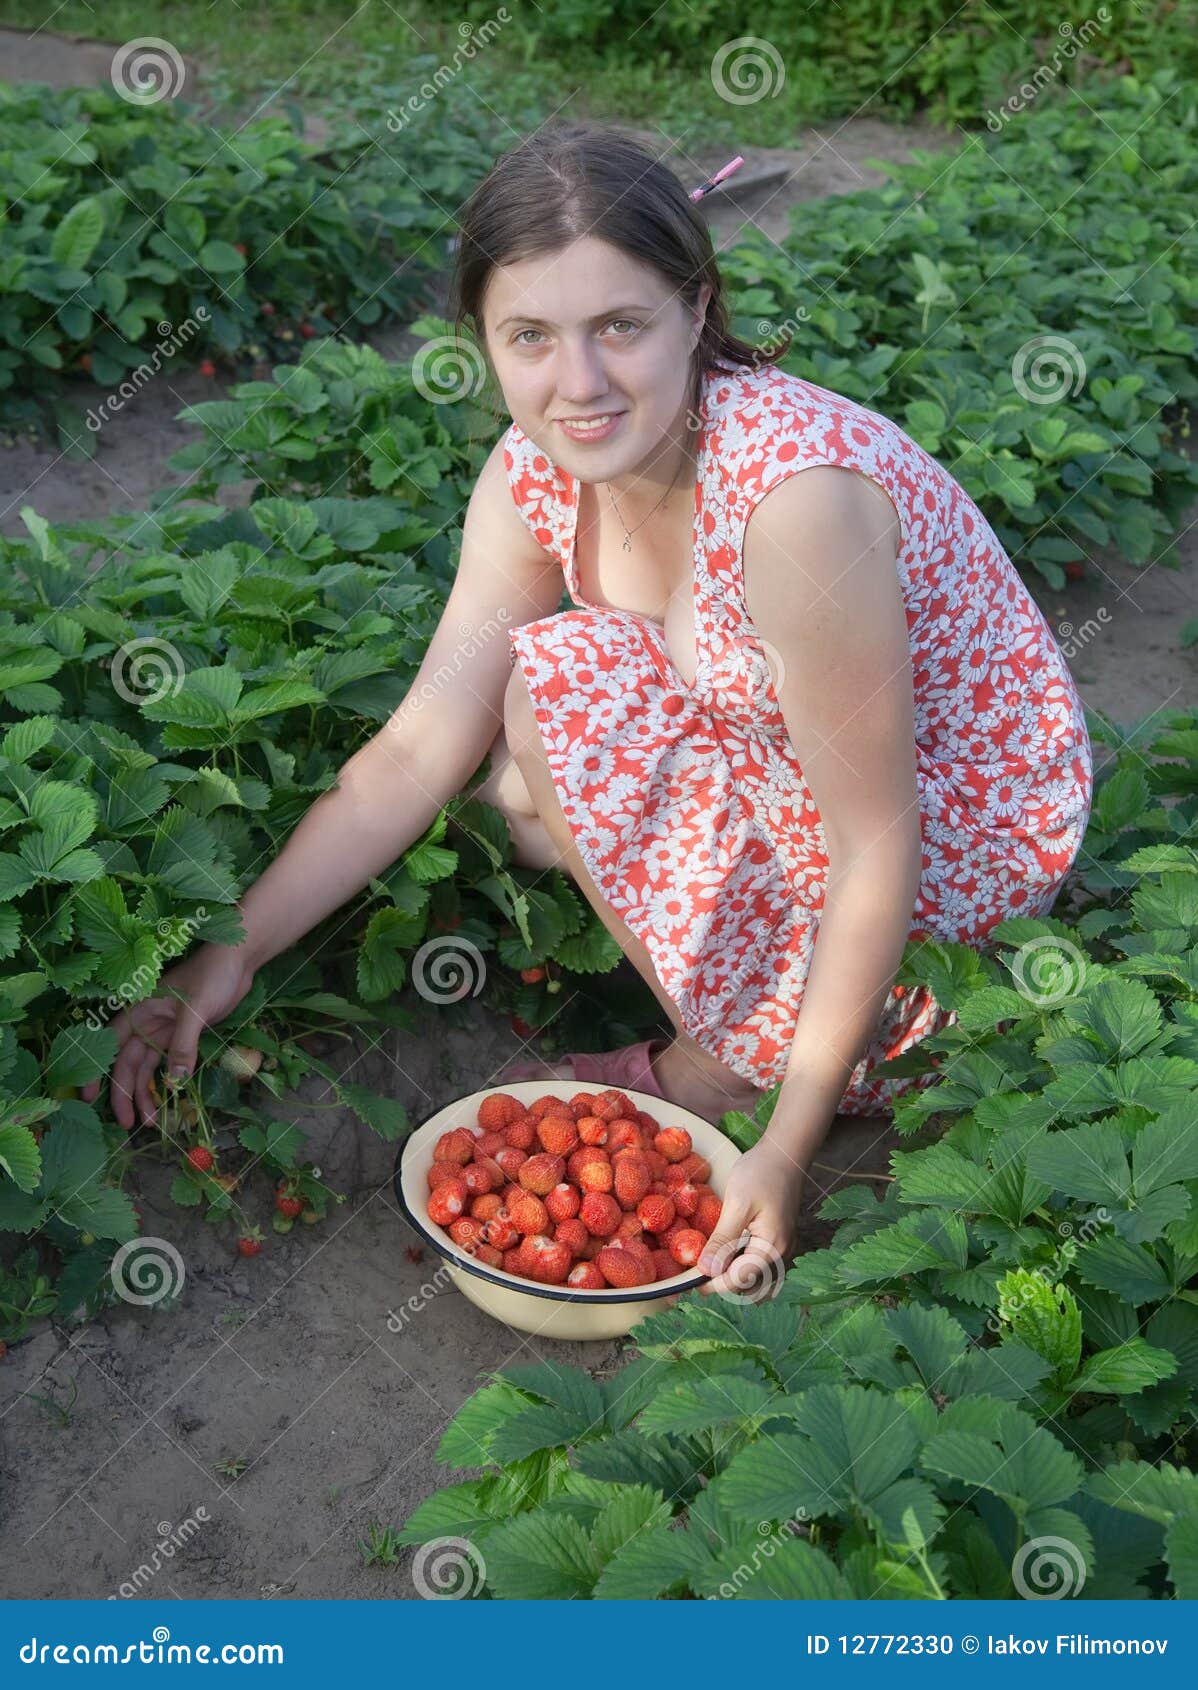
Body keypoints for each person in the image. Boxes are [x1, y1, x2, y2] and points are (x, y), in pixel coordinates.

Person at [85, 121, 1093, 1299]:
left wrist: (785, 1144)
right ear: (484, 343)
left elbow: (878, 836)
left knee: (553, 697)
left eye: (620, 325)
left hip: (953, 839)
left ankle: (752, 1063)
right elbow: (415, 748)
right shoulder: (533, 468)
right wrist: (231, 955)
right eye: (531, 337)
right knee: (517, 767)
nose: (580, 383)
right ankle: (789, 1019)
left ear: (696, 308)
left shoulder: (795, 500)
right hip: (796, 765)